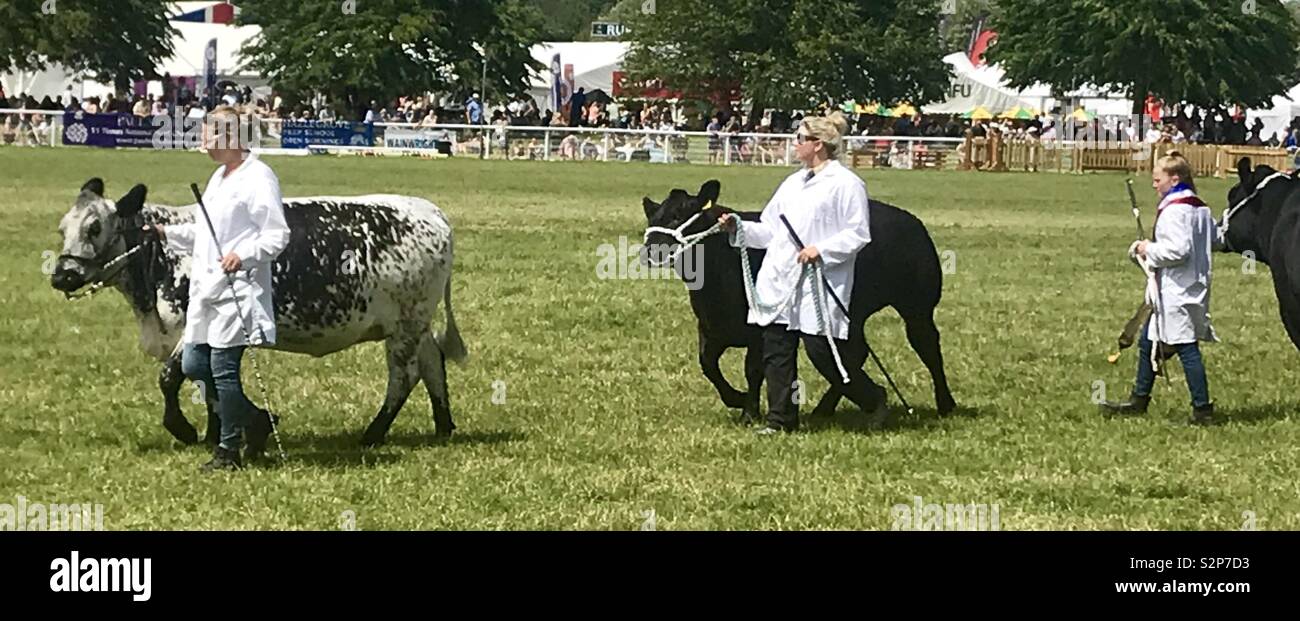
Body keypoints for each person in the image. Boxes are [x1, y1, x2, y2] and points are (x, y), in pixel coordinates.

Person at [718, 112, 887, 434]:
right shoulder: (792, 183)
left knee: (821, 352)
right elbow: (770, 229)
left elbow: (858, 233)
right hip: (780, 279)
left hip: (819, 280)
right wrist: (738, 228)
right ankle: (780, 421)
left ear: (818, 144)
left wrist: (821, 250)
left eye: (800, 139)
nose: (795, 145)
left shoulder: (847, 184)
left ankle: (872, 399)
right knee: (776, 350)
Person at [150, 105, 291, 470]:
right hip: (206, 289)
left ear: (231, 137)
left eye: (209, 133)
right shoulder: (218, 177)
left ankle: (229, 450)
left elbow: (276, 234)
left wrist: (243, 255)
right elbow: (205, 233)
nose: (203, 140)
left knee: (224, 370)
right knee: (197, 364)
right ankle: (256, 419)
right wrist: (168, 234)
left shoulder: (259, 177)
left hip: (237, 290)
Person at [1101, 152, 1218, 425]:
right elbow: (1216, 238)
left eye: (1158, 180)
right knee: (1147, 341)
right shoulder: (1200, 207)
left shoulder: (1177, 209)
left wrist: (1146, 249)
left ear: (1174, 179)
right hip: (1189, 286)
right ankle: (1139, 399)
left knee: (1186, 347)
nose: (1154, 185)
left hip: (1177, 289)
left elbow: (1179, 251)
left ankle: (1202, 410)